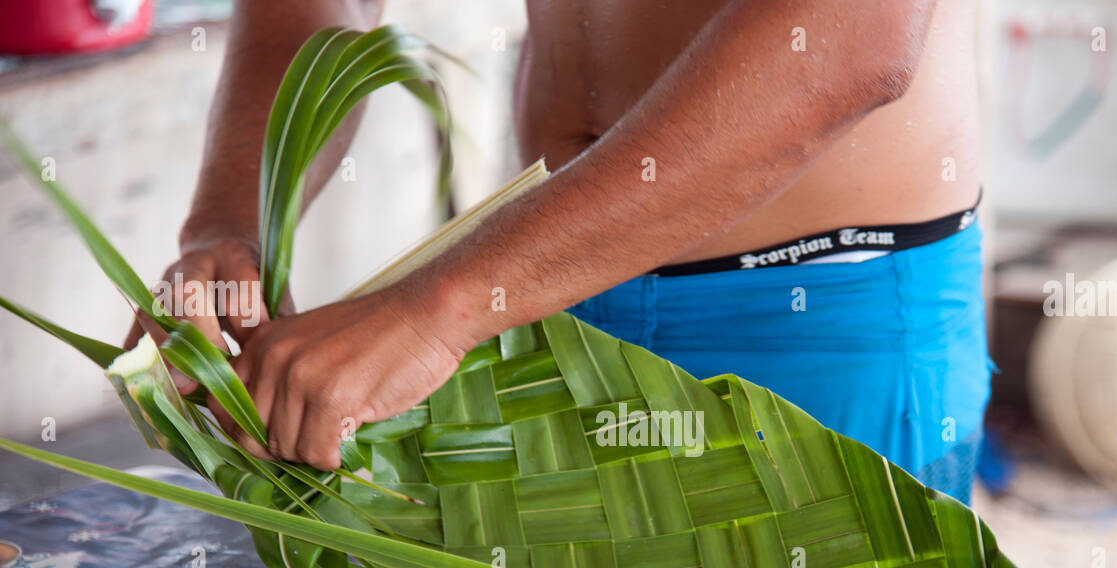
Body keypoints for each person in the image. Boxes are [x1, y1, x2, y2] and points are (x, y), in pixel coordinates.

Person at [126, 0, 991, 503]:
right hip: (548, 300)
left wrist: (439, 308)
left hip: (816, 312)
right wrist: (230, 228)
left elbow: (851, 36)